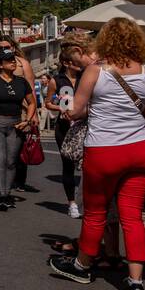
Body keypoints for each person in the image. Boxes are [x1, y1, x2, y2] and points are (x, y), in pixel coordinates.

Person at [49, 17, 145, 290]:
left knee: (96, 212)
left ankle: (82, 266)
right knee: (133, 216)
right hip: (141, 146)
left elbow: (76, 109)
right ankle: (136, 282)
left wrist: (69, 111)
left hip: (105, 149)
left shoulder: (96, 71)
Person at [0, 35, 39, 193]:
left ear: (13, 47)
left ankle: (19, 180)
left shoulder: (22, 63)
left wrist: (34, 115)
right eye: (0, 47)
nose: (4, 49)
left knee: (18, 147)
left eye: (6, 47)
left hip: (21, 110)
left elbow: (30, 89)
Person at [45, 38, 87, 218]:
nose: (80, 65)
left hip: (86, 125)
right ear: (67, 63)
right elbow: (48, 103)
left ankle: (85, 199)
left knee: (88, 165)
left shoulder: (87, 77)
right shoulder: (57, 81)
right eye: (76, 62)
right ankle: (72, 203)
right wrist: (60, 107)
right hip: (65, 127)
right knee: (68, 164)